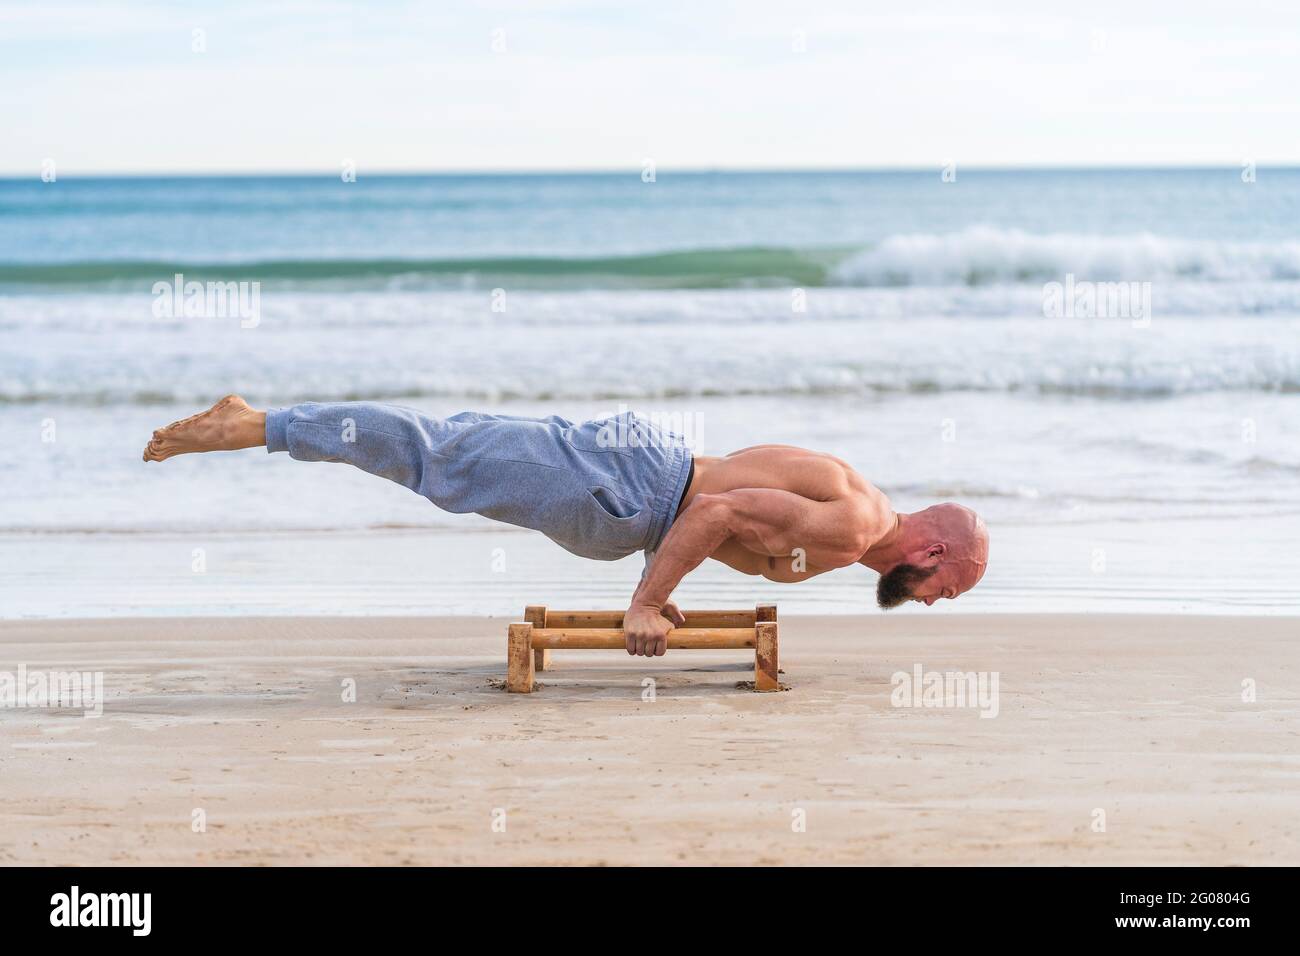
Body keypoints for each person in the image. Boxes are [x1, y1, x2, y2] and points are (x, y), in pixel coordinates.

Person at [144, 396, 989, 655]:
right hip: (633, 488)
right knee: (442, 456)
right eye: (954, 586)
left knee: (462, 443)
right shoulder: (853, 527)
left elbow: (724, 523)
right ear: (936, 551)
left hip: (633, 487)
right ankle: (257, 425)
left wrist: (666, 591)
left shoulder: (856, 524)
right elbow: (717, 509)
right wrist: (647, 603)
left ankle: (275, 425)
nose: (941, 600)